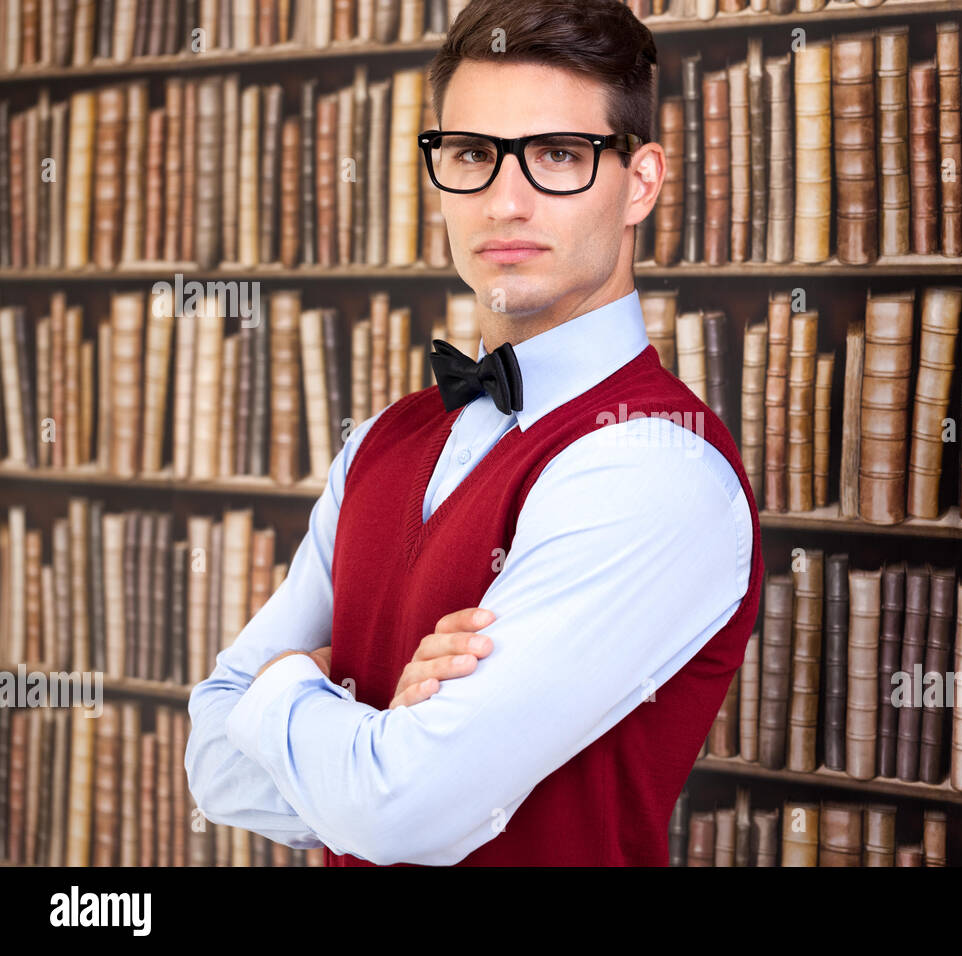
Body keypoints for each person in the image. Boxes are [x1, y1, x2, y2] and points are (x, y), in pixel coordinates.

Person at [185, 0, 764, 866]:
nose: (504, 199)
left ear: (641, 182)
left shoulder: (658, 465)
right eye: (471, 155)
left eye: (559, 156)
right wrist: (376, 732)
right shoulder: (381, 439)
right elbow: (214, 767)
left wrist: (284, 685)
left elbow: (398, 814)